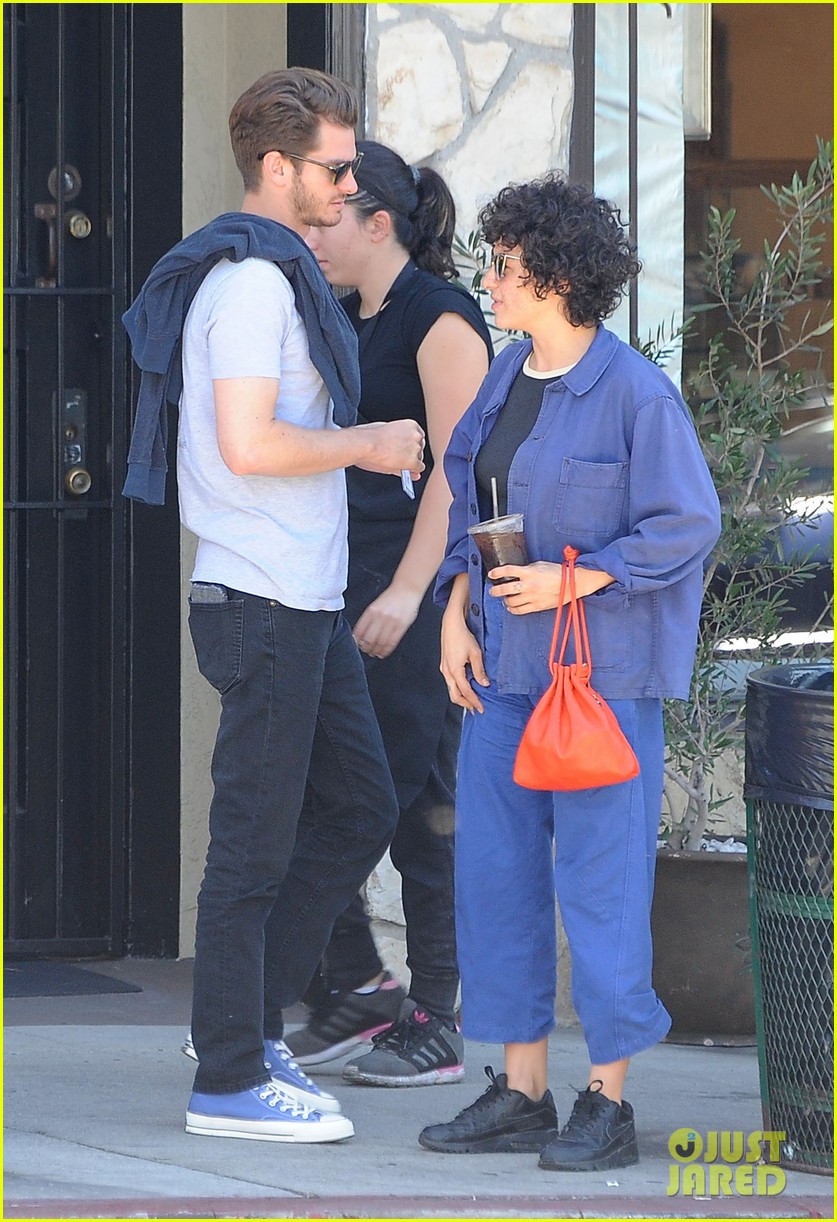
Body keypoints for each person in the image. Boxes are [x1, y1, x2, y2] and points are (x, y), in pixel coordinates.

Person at [123, 68, 426, 1144]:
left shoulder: (282, 275)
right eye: (334, 168)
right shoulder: (252, 285)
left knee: (359, 805)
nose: (348, 186)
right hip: (263, 599)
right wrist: (370, 442)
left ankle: (247, 1033)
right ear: (275, 168)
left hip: (301, 596)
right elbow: (249, 444)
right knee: (253, 844)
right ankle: (232, 1080)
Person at [419, 175, 721, 1168]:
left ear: (553, 276)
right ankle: (521, 1089)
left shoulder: (637, 392)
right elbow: (473, 506)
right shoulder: (508, 377)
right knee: (496, 881)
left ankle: (608, 1100)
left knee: (600, 887)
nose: (490, 283)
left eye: (503, 267)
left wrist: (574, 579)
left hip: (598, 687)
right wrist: (455, 613)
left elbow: (687, 526)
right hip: (503, 678)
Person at [283, 142, 492, 1086]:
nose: (313, 230)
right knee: (319, 796)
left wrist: (411, 595)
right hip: (335, 586)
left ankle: (436, 1019)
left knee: (419, 808)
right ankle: (361, 987)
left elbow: (460, 478)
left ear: (379, 223)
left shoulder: (440, 321)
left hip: (406, 601)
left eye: (330, 214)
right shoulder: (339, 312)